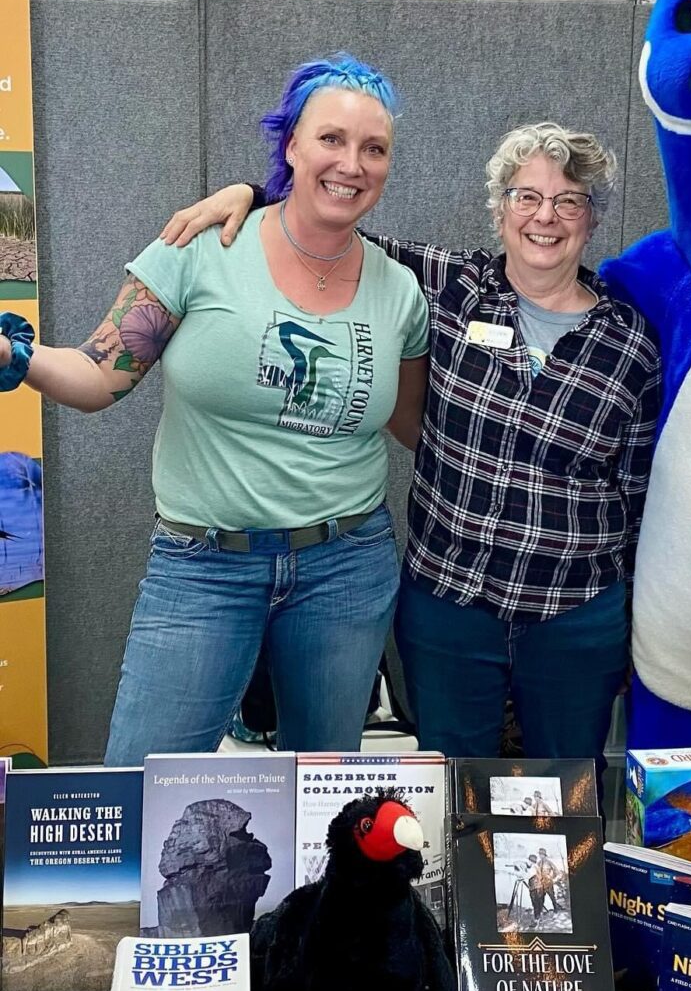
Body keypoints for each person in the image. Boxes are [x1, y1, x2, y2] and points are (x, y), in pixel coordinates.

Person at [160, 122, 661, 779]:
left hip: (574, 615)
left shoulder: (629, 342)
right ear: (499, 209)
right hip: (450, 607)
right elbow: (332, 226)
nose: (545, 216)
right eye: (527, 196)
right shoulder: (451, 286)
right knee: (454, 792)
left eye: (569, 200)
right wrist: (254, 194)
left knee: (566, 795)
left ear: (592, 218)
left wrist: (635, 622)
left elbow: (636, 496)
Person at [0, 53, 429, 765]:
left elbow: (414, 425)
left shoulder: (400, 289)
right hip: (203, 567)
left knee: (321, 798)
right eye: (330, 138)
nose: (351, 163)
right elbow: (99, 374)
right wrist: (15, 356)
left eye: (374, 148)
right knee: (142, 785)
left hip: (345, 570)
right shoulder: (201, 250)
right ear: (291, 145)